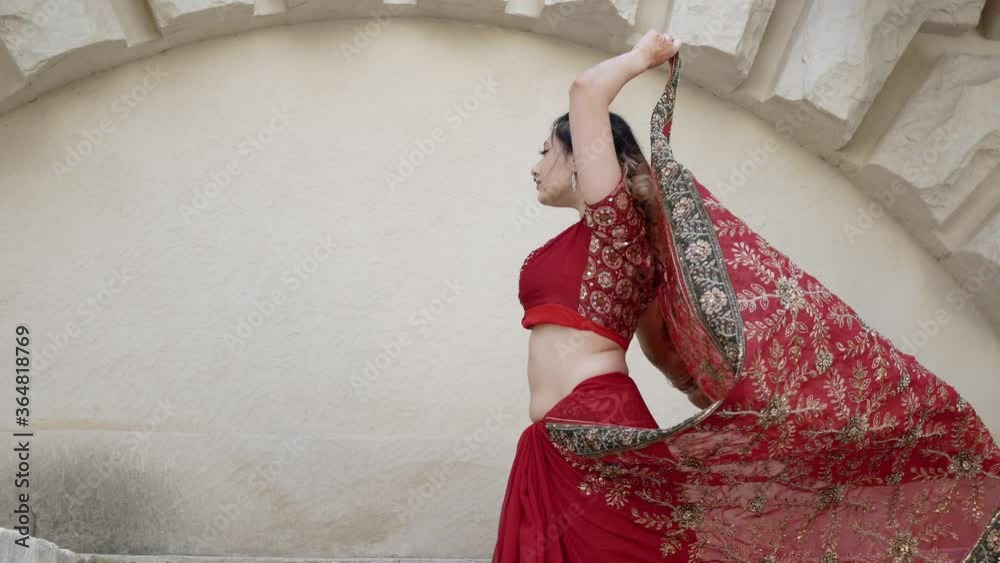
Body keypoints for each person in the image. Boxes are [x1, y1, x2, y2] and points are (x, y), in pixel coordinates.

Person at [494, 30, 1000, 562]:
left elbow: (586, 91)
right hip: (551, 445)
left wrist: (646, 56)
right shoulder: (626, 245)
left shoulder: (615, 227)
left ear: (582, 157)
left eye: (545, 149)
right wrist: (720, 404)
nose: (534, 165)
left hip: (597, 435)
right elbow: (661, 351)